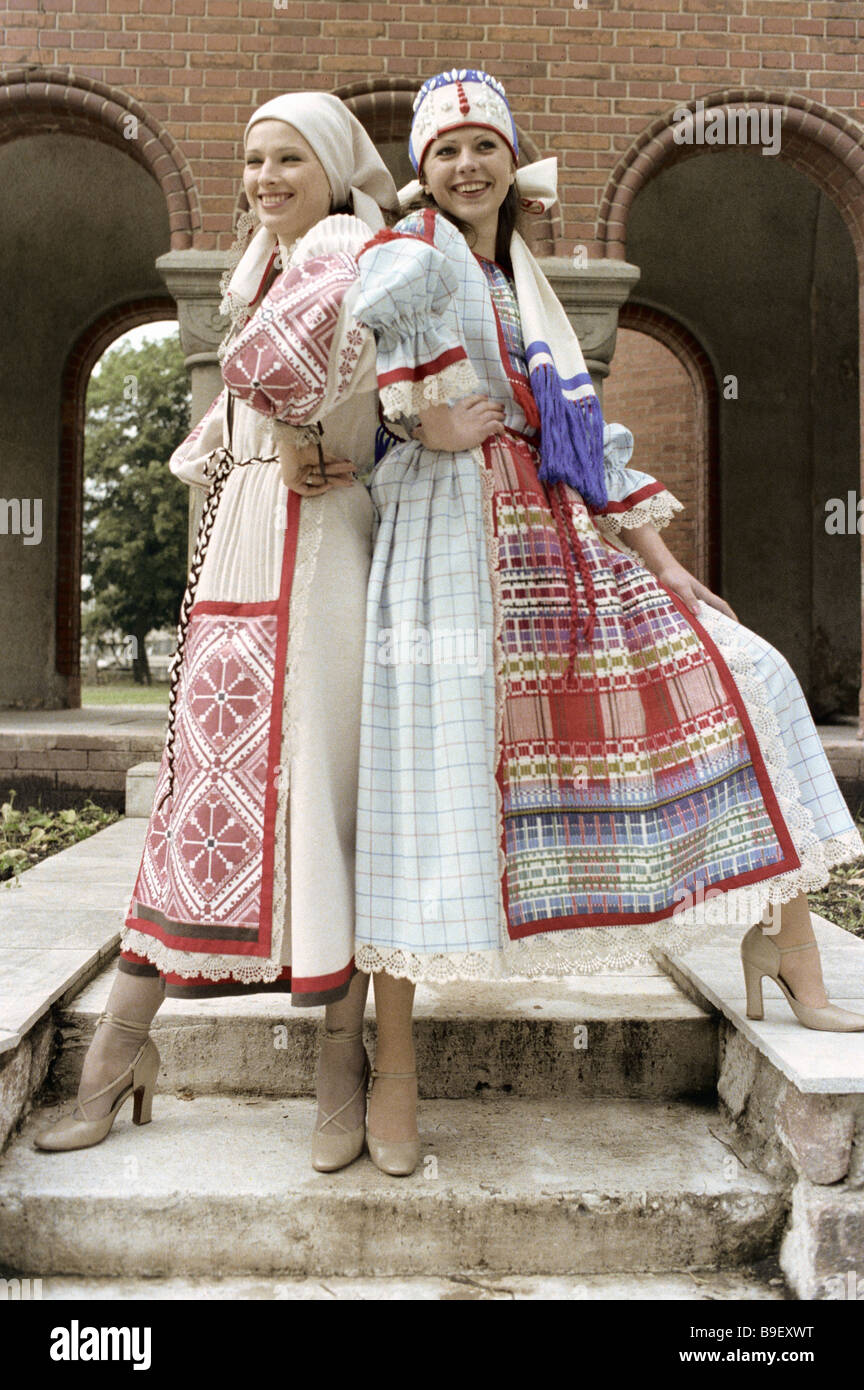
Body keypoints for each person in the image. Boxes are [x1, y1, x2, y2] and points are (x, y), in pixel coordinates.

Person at [345, 69, 864, 1174]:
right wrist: (425, 421)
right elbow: (374, 342)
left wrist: (674, 570)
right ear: (422, 173)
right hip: (448, 542)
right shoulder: (414, 253)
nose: (468, 165)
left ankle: (785, 941)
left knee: (752, 673)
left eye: (486, 146)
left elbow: (589, 450)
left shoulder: (522, 285)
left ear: (511, 164)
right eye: (446, 152)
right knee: (430, 782)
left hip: (559, 533)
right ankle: (392, 1065)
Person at [35, 93, 400, 1174]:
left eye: (289, 158)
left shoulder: (348, 245)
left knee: (320, 792)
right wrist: (268, 444)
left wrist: (293, 432)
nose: (265, 178)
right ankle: (121, 1051)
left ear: (334, 169)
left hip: (321, 549)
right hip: (250, 541)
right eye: (251, 160)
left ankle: (341, 1062)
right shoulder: (262, 269)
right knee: (207, 791)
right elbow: (245, 410)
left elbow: (290, 376)